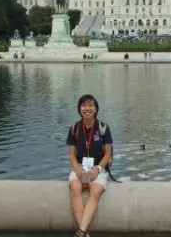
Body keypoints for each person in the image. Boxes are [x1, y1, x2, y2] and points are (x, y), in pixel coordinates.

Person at [66, 94, 113, 237]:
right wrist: (77, 169)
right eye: (84, 105)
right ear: (79, 109)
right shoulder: (74, 128)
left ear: (96, 109)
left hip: (98, 167)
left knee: (95, 191)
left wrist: (97, 169)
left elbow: (108, 155)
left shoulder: (103, 128)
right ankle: (84, 233)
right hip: (80, 166)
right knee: (75, 188)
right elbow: (71, 155)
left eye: (91, 105)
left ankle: (81, 231)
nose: (87, 108)